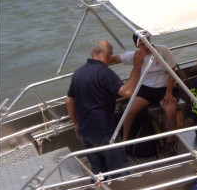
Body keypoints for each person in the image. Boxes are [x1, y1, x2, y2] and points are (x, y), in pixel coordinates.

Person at [65, 40, 146, 180]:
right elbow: (126, 92)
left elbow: (69, 101)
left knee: (98, 172)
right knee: (119, 170)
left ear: (92, 53)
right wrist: (137, 67)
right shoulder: (104, 73)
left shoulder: (78, 73)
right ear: (109, 56)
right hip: (104, 130)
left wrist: (76, 124)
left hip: (85, 131)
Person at [108, 32, 179, 155]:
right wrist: (98, 63)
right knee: (129, 112)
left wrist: (169, 93)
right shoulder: (136, 56)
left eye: (147, 42)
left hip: (165, 87)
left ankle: (170, 142)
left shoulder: (163, 50)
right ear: (137, 46)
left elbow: (172, 71)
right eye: (142, 44)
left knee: (171, 111)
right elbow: (114, 58)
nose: (146, 46)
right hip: (146, 89)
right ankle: (125, 142)